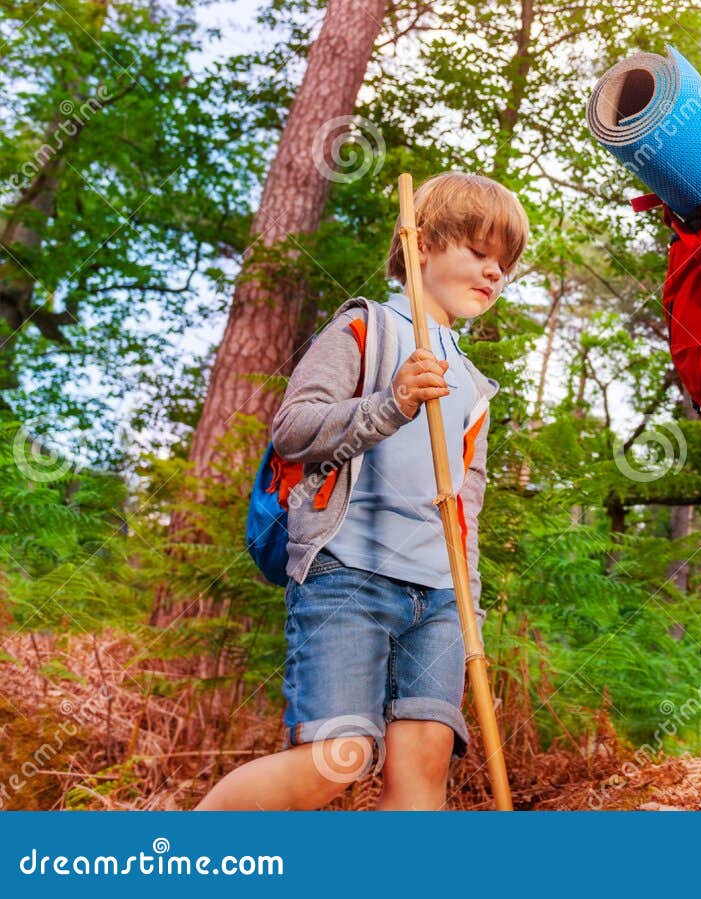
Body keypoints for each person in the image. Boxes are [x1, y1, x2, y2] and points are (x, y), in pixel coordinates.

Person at [197, 172, 529, 810]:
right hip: (347, 575)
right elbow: (293, 430)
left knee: (422, 774)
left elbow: (467, 513)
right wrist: (393, 402)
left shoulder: (476, 387)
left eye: (504, 265)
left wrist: (471, 616)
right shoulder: (365, 328)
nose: (494, 274)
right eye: (479, 252)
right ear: (421, 243)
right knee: (334, 762)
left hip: (438, 600)